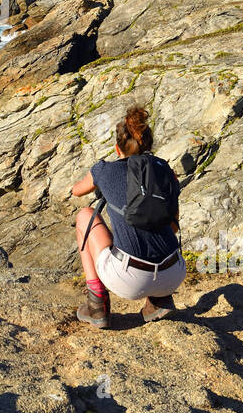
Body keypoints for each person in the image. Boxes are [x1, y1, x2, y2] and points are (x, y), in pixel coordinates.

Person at [71, 106, 185, 328]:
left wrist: (100, 179)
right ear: (148, 146)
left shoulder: (104, 170)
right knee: (153, 231)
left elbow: (77, 190)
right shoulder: (165, 171)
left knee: (85, 215)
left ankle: (97, 305)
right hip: (173, 273)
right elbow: (174, 226)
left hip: (129, 279)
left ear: (117, 148)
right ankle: (159, 299)